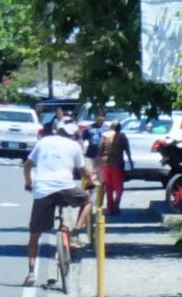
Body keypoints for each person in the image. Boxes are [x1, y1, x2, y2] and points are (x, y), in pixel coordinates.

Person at [22, 120, 92, 286]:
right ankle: (75, 233)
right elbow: (83, 172)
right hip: (65, 188)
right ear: (74, 135)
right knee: (88, 200)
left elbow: (27, 165)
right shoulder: (75, 146)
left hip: (42, 190)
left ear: (58, 131)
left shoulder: (43, 141)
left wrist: (28, 182)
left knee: (34, 234)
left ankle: (31, 272)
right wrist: (90, 181)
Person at [100, 120, 129, 216]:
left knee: (108, 187)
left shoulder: (104, 136)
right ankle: (117, 203)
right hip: (117, 163)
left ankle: (109, 208)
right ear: (119, 128)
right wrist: (131, 162)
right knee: (118, 186)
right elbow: (127, 150)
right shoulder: (122, 136)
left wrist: (97, 162)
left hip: (106, 164)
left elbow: (100, 149)